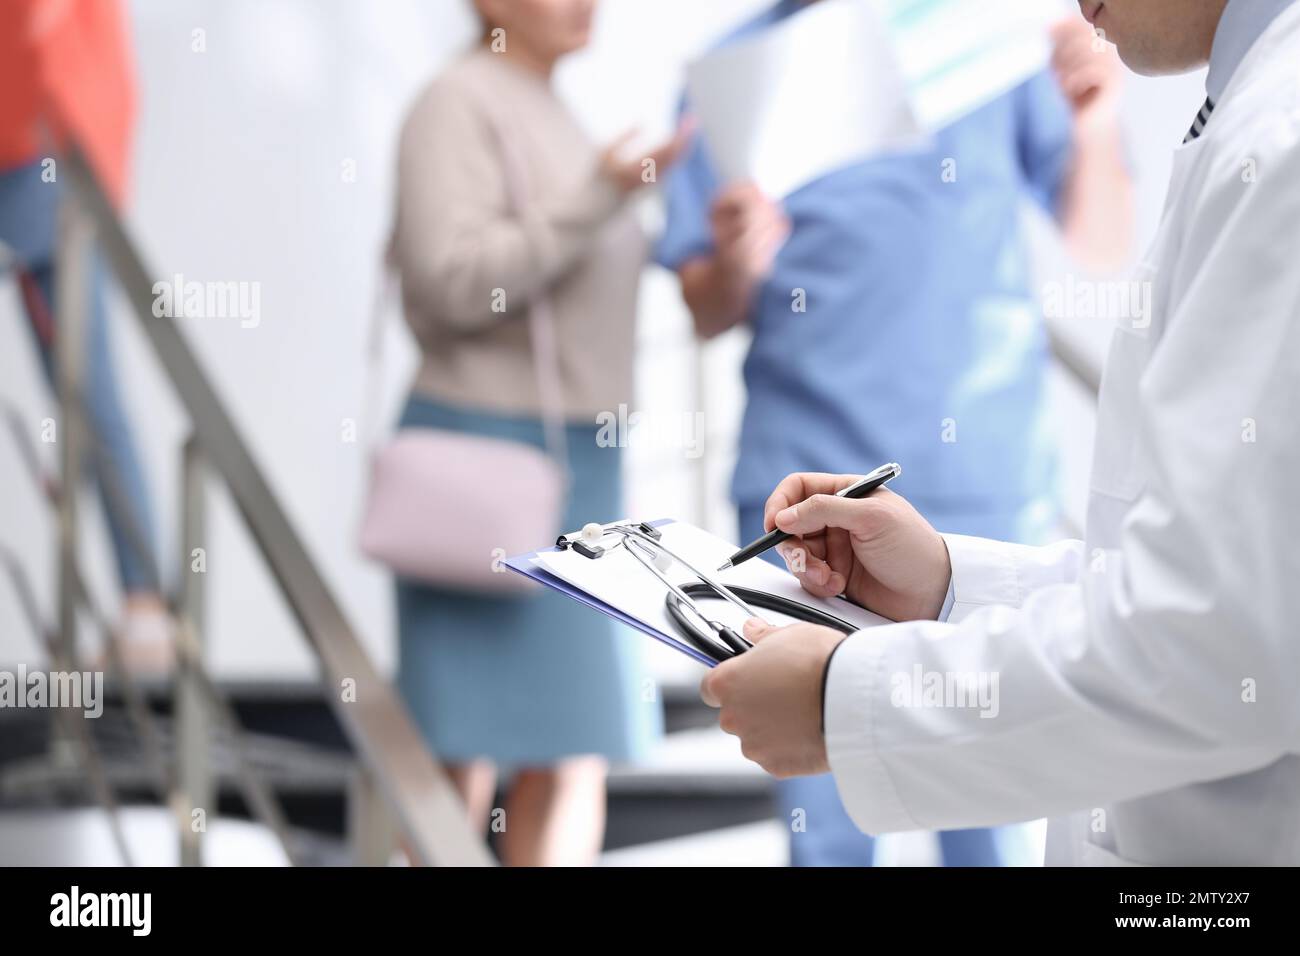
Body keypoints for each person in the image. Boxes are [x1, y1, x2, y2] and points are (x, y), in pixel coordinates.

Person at [701, 0, 1300, 866]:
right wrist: (950, 586)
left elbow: (1215, 640)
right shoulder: (1254, 110)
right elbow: (1214, 598)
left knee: (985, 836)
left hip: (982, 458)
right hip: (825, 460)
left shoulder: (1274, 135)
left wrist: (849, 703)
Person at [658, 0, 1132, 866]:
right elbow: (704, 306)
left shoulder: (989, 38)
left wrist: (1094, 121)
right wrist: (737, 265)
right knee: (823, 809)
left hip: (983, 477)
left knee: (991, 798)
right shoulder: (731, 71)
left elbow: (1102, 242)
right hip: (798, 496)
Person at [388, 0, 689, 866]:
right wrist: (600, 196)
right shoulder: (457, 101)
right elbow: (451, 286)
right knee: (458, 747)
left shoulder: (555, 110)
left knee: (570, 743)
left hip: (574, 466)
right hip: (481, 462)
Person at [0, 0, 170, 671]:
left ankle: (144, 603)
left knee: (88, 394)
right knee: (81, 395)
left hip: (46, 164)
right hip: (44, 160)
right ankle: (143, 602)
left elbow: (50, 50)